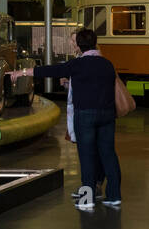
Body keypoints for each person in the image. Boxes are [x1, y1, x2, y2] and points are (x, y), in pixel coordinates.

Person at [10, 28, 120, 210]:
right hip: (107, 115)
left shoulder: (77, 65)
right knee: (109, 155)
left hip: (85, 115)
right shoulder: (107, 64)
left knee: (87, 157)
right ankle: (114, 196)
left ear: (79, 45)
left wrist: (22, 73)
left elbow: (50, 70)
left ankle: (88, 199)